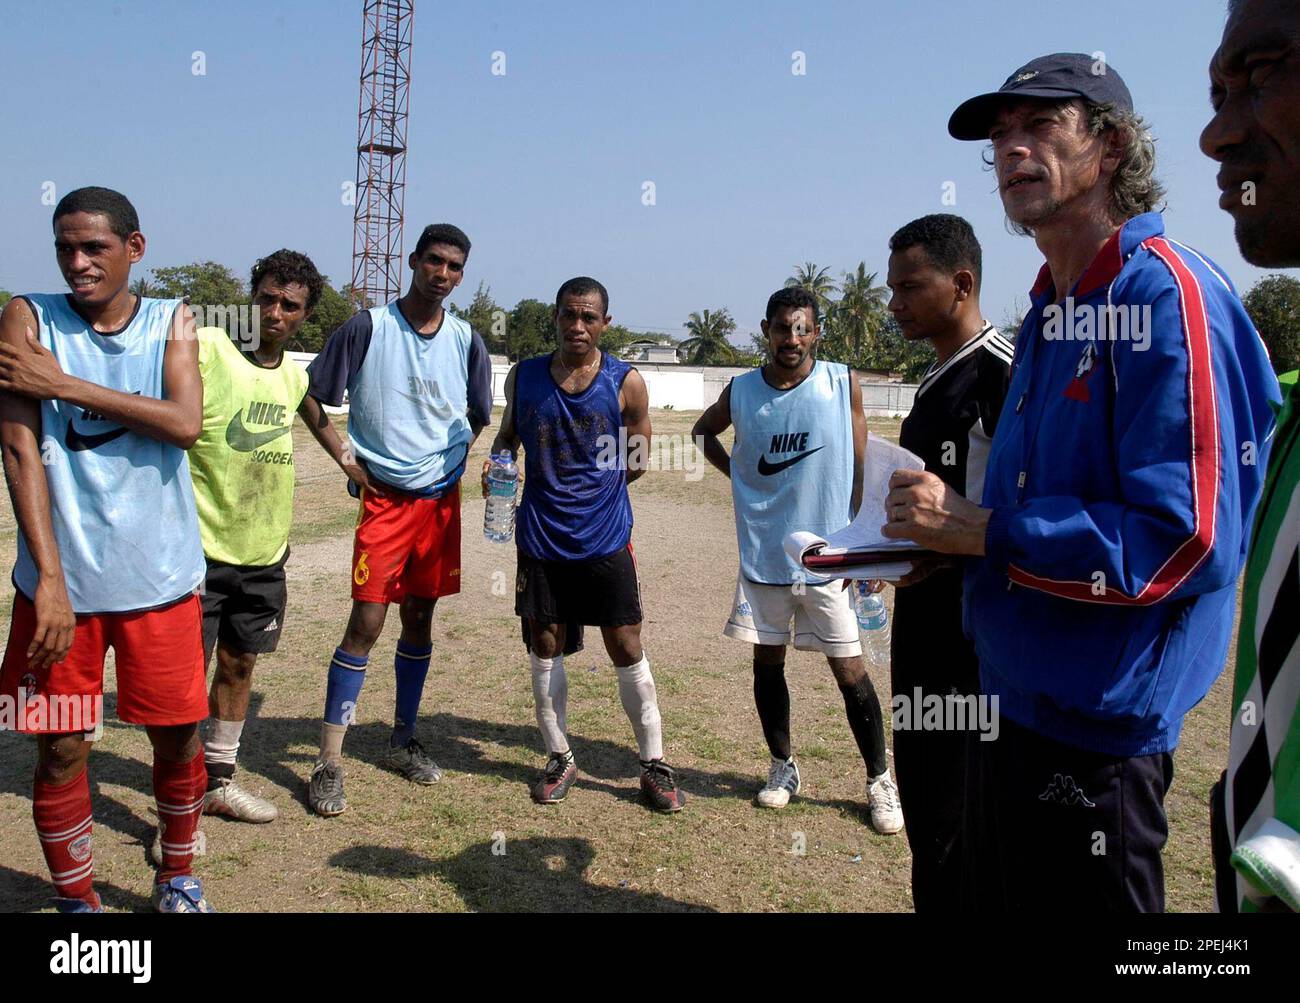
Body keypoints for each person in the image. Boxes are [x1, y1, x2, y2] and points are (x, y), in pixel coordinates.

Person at [884, 53, 1279, 910]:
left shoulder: (1168, 297)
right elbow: (1024, 508)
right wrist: (955, 549)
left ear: (1111, 147)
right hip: (1008, 704)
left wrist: (988, 532)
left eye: (1039, 127)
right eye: (999, 138)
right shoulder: (1049, 315)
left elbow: (1187, 539)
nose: (1012, 150)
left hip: (1099, 746)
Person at [0, 187, 214, 912]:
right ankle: (77, 901)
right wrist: (50, 579)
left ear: (135, 247)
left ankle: (177, 877)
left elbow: (185, 422)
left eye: (94, 247)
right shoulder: (26, 317)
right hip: (61, 588)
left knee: (178, 740)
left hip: (161, 579)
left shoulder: (171, 320)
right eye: (65, 246)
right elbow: (20, 450)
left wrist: (61, 382)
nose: (78, 262)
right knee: (60, 747)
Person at [693, 286, 903, 834]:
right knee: (768, 663)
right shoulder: (741, 391)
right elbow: (701, 433)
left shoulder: (841, 382)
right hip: (765, 555)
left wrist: (868, 547)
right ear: (766, 329)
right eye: (783, 328)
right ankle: (783, 767)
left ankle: (880, 779)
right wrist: (736, 475)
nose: (793, 339)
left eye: (803, 328)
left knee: (851, 670)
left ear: (817, 333)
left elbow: (862, 467)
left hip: (829, 559)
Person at [303, 223, 493, 817]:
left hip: (439, 502)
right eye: (434, 261)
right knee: (366, 619)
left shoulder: (467, 339)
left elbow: (479, 414)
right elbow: (310, 397)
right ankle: (329, 761)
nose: (443, 274)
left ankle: (401, 738)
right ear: (413, 261)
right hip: (383, 498)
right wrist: (346, 458)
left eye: (455, 267)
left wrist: (451, 462)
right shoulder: (369, 326)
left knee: (420, 617)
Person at [482, 277, 684, 811]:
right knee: (544, 645)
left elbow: (637, 457)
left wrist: (595, 493)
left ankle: (653, 763)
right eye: (569, 315)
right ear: (555, 316)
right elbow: (507, 436)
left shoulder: (626, 381)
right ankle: (560, 756)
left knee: (625, 644)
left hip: (604, 538)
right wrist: (500, 464)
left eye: (589, 317)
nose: (578, 326)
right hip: (540, 538)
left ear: (605, 324)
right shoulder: (524, 377)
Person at [1201, 0, 1300, 913]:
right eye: (1218, 90)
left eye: (1265, 71)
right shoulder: (1291, 417)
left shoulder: (1171, 303)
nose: (1217, 132)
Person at [884, 214, 1011, 909]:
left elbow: (1017, 519)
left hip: (976, 641)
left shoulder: (1004, 378)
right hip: (921, 624)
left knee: (964, 818)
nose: (895, 303)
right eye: (891, 288)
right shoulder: (933, 382)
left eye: (910, 286)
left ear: (961, 284)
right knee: (928, 809)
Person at [183, 250, 327, 826]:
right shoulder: (211, 348)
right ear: (252, 297)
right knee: (185, 678)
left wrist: (358, 472)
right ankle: (180, 797)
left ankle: (219, 780)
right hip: (196, 552)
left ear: (304, 315)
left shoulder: (295, 376)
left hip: (264, 557)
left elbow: (320, 423)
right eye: (266, 298)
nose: (274, 312)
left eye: (289, 305)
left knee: (240, 666)